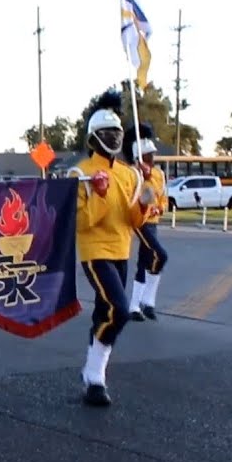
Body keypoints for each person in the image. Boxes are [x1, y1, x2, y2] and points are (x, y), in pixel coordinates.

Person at [67, 91, 159, 407]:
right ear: (94, 137)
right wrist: (100, 193)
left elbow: (134, 218)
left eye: (117, 133)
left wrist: (146, 189)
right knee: (119, 309)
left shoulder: (130, 173)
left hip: (121, 249)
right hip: (95, 252)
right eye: (106, 133)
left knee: (104, 312)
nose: (113, 138)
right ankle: (94, 374)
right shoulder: (79, 173)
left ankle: (94, 380)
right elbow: (80, 223)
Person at [125, 124, 169, 322]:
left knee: (145, 262)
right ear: (139, 157)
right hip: (141, 221)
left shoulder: (159, 174)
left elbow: (162, 197)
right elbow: (140, 197)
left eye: (153, 154)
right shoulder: (134, 174)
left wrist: (161, 208)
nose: (152, 158)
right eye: (148, 155)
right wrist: (145, 177)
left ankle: (138, 305)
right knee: (160, 255)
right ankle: (145, 302)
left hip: (154, 221)